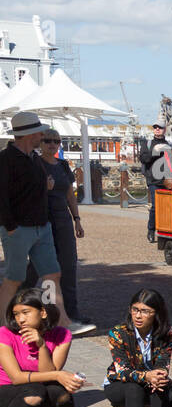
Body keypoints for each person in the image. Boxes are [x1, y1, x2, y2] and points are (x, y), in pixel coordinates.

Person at [0, 288, 101, 407]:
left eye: (25, 312)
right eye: (16, 314)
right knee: (38, 389)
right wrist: (57, 375)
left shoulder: (62, 335)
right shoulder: (5, 334)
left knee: (58, 390)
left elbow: (47, 372)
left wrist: (41, 345)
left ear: (43, 312)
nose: (20, 319)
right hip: (7, 396)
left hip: (38, 398)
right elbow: (16, 378)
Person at [1, 112, 76, 331]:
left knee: (52, 273)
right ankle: (3, 326)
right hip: (18, 228)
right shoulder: (5, 160)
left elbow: (32, 188)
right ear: (27, 134)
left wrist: (46, 186)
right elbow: (2, 196)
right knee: (14, 278)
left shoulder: (34, 158)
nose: (42, 135)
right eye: (39, 132)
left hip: (42, 226)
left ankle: (61, 320)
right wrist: (11, 227)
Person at [104, 288, 172, 407]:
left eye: (145, 311)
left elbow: (163, 362)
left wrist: (157, 376)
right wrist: (146, 377)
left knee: (163, 384)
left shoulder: (166, 332)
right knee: (133, 388)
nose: (138, 315)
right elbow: (123, 370)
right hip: (119, 383)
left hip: (148, 381)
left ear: (156, 313)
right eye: (135, 309)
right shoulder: (118, 333)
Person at [28, 131, 94, 334]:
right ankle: (40, 310)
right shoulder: (34, 163)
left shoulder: (63, 166)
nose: (52, 145)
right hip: (42, 219)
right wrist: (43, 188)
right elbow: (25, 193)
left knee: (68, 266)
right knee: (40, 269)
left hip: (63, 220)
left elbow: (69, 194)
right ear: (40, 142)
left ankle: (71, 313)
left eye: (56, 141)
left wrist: (77, 219)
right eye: (48, 141)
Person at [140, 123, 168, 243]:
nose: (157, 129)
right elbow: (143, 159)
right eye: (155, 127)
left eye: (160, 127)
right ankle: (151, 230)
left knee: (167, 207)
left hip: (167, 181)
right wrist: (154, 152)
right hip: (153, 180)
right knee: (156, 207)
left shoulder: (169, 145)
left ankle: (165, 232)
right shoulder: (147, 144)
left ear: (164, 130)